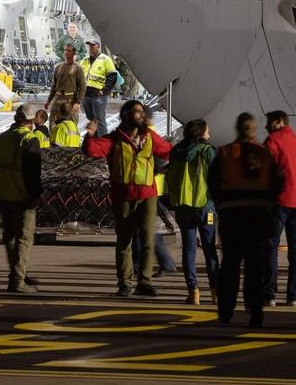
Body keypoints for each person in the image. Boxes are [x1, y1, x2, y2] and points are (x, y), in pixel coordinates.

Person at [84, 99, 170, 298]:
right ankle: (124, 283)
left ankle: (144, 282)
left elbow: (166, 150)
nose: (142, 115)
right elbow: (92, 150)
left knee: (148, 240)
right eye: (138, 112)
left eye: (142, 112)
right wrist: (89, 136)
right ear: (127, 115)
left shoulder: (149, 137)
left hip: (147, 196)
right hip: (123, 196)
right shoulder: (115, 139)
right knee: (125, 242)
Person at [210, 112, 281, 327]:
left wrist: (222, 204)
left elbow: (213, 183)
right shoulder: (265, 154)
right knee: (254, 267)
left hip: (232, 216)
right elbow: (277, 185)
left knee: (230, 265)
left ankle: (225, 310)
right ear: (254, 129)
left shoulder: (224, 153)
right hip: (258, 217)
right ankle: (255, 311)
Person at [0, 104, 45, 293]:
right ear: (31, 121)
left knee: (10, 237)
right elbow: (32, 172)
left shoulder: (3, 138)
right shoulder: (30, 139)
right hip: (22, 194)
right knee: (24, 238)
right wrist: (35, 195)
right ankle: (17, 281)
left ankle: (17, 273)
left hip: (4, 192)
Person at [263, 110, 296, 308]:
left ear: (279, 121)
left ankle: (270, 294)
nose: (267, 126)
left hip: (279, 200)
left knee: (270, 246)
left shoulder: (272, 141)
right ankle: (294, 295)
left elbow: (265, 171)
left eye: (269, 122)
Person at [167, 118, 219, 305]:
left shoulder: (175, 152)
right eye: (207, 131)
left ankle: (193, 291)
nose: (209, 134)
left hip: (182, 207)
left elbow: (170, 177)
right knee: (209, 250)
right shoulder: (207, 152)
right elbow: (216, 179)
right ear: (200, 133)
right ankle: (215, 292)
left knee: (188, 250)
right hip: (205, 208)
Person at [80, 39, 120, 134]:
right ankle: (95, 139)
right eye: (89, 46)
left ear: (98, 46)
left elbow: (113, 76)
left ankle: (103, 140)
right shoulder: (85, 60)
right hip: (86, 94)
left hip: (98, 95)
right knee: (91, 119)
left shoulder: (105, 59)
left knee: (99, 119)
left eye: (92, 46)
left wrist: (104, 90)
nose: (90, 48)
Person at [44, 43, 85, 125]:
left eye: (69, 50)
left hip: (70, 101)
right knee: (53, 124)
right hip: (58, 99)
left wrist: (78, 102)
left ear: (74, 53)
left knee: (71, 125)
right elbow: (54, 86)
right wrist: (49, 101)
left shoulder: (78, 68)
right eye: (65, 50)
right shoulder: (58, 67)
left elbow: (82, 86)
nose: (67, 52)